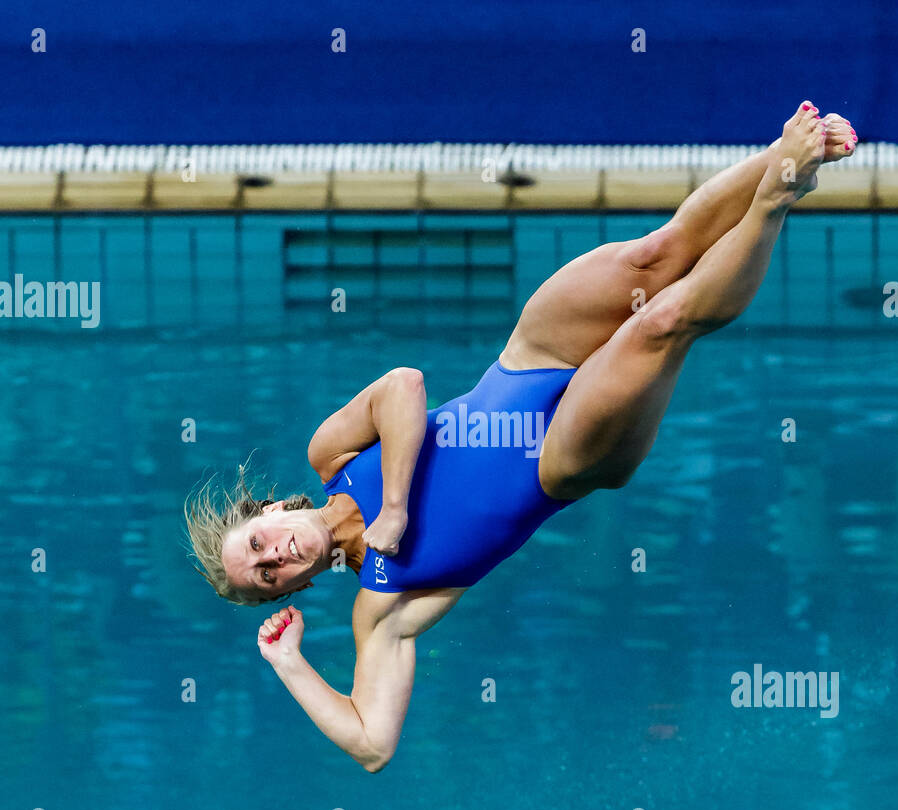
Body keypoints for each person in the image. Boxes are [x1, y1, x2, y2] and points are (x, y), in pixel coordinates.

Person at [185, 102, 857, 771]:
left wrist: (393, 507)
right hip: (562, 456)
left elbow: (404, 387)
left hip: (525, 363)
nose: (277, 556)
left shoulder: (331, 456)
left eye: (259, 544)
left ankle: (784, 151)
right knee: (662, 322)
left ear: (269, 510)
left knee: (660, 255)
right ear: (292, 591)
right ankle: (778, 193)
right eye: (269, 577)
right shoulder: (385, 603)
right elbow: (372, 745)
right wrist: (287, 661)